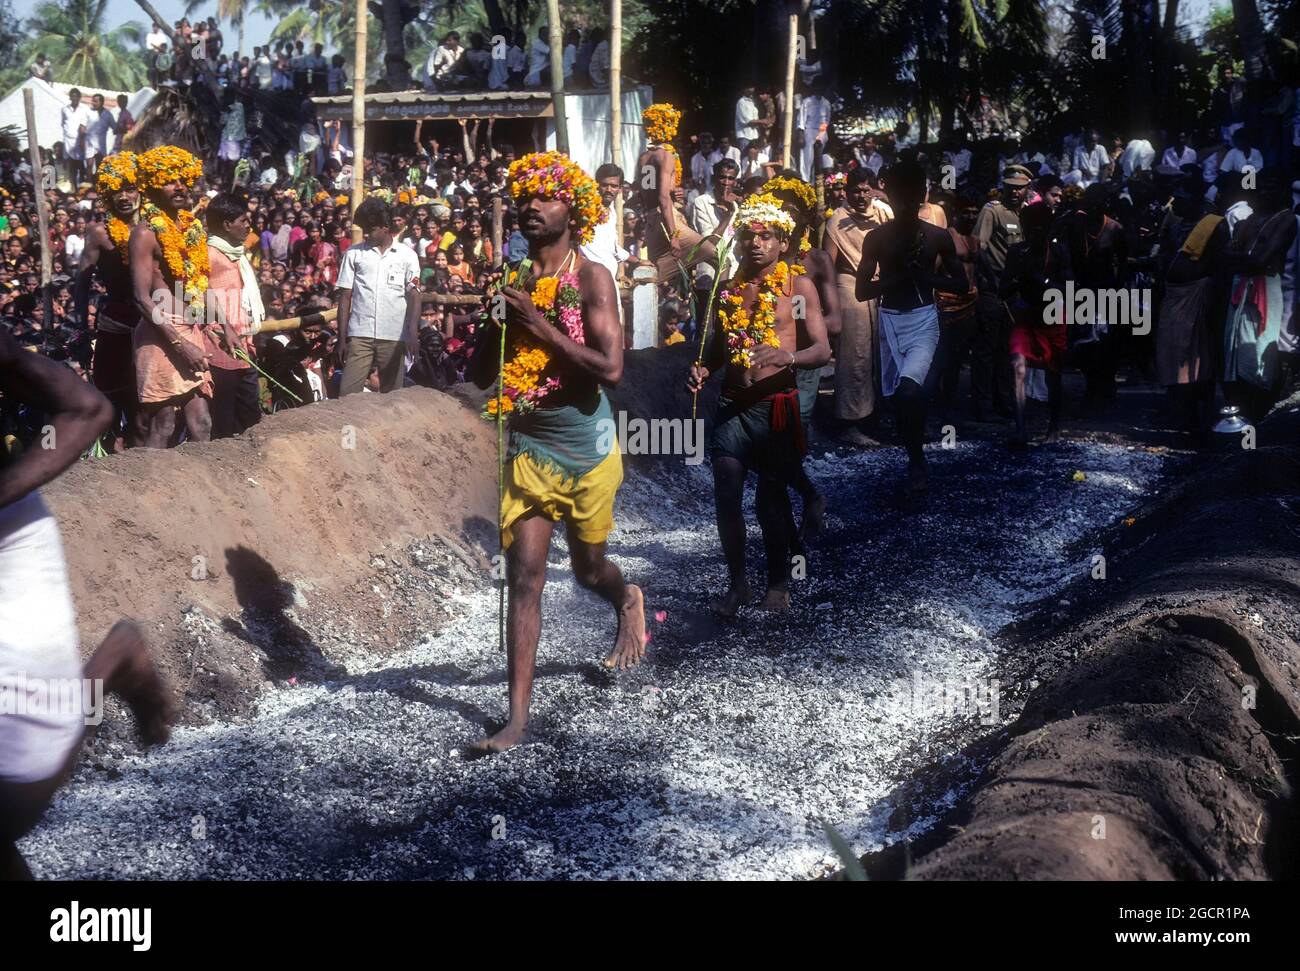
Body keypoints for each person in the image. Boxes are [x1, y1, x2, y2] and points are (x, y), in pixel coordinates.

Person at [467, 151, 644, 754]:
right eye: (525, 198)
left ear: (574, 209)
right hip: (532, 446)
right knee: (526, 576)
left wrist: (540, 327)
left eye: (547, 197)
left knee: (590, 568)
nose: (532, 207)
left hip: (589, 447)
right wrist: (492, 320)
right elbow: (480, 370)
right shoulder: (514, 280)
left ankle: (626, 597)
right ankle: (516, 719)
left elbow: (613, 370)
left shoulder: (591, 278)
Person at [0, 324, 173, 880]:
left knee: (14, 802)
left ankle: (111, 663)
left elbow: (90, 410)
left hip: (23, 756)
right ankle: (112, 661)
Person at [687, 191, 830, 616]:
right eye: (750, 236)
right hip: (732, 404)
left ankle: (778, 583)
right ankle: (737, 585)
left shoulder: (798, 287)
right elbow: (716, 348)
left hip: (774, 405)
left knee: (770, 498)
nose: (756, 244)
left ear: (783, 243)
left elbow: (821, 350)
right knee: (726, 493)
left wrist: (786, 356)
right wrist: (703, 370)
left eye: (766, 237)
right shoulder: (728, 288)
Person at [856, 160, 968, 497]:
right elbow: (862, 291)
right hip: (890, 320)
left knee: (909, 391)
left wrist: (925, 278)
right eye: (898, 195)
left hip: (923, 320)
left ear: (921, 195)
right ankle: (914, 452)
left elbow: (961, 283)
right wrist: (897, 278)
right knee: (898, 400)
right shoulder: (876, 238)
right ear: (889, 195)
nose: (905, 202)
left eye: (911, 195)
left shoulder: (937, 236)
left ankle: (917, 461)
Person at [129, 145, 214, 448]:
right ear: (152, 185)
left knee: (201, 421)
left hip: (189, 328)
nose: (180, 187)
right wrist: (180, 345)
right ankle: (153, 492)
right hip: (159, 334)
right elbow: (141, 298)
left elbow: (193, 284)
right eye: (169, 180)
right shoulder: (145, 232)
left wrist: (218, 323)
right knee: (163, 422)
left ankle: (203, 490)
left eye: (183, 179)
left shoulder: (188, 227)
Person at [75, 151, 142, 450]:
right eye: (117, 191)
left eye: (130, 189)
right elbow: (81, 281)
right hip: (115, 321)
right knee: (113, 398)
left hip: (152, 322)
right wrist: (80, 327)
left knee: (148, 404)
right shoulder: (100, 233)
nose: (125, 197)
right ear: (107, 196)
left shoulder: (159, 228)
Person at [823, 166, 892, 444]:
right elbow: (828, 264)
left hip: (881, 285)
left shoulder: (884, 212)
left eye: (866, 190)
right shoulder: (837, 220)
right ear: (846, 192)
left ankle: (877, 416)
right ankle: (849, 422)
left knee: (882, 354)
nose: (861, 196)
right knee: (855, 356)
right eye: (855, 191)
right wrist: (828, 305)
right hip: (850, 286)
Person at [1156, 183, 1229, 438]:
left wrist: (1212, 301)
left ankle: (1202, 417)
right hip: (1174, 298)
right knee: (1173, 353)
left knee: (1199, 356)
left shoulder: (1214, 225)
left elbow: (1220, 266)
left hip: (1198, 297)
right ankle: (1181, 413)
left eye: (1181, 198)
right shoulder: (1176, 223)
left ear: (1196, 200)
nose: (1174, 204)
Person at [999, 202, 1069, 447]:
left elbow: (1071, 287)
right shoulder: (1017, 252)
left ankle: (1054, 426)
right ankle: (1021, 429)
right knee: (1017, 366)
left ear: (1049, 228)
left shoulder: (1059, 252)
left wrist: (1043, 281)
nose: (1036, 233)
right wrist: (1019, 278)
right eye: (1031, 228)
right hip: (1027, 315)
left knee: (1053, 373)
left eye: (1041, 228)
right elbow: (1003, 288)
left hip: (1052, 315)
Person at [335, 197, 421, 396]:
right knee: (347, 394)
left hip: (394, 335)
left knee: (392, 396)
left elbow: (415, 296)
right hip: (359, 335)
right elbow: (345, 297)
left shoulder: (407, 256)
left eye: (370, 229)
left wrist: (413, 331)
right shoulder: (353, 254)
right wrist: (341, 339)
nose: (366, 234)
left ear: (385, 227)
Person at [970, 166, 1029, 422]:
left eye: (1019, 187)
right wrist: (991, 279)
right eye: (1010, 186)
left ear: (1028, 188)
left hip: (1014, 290)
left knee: (1008, 349)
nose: (1014, 191)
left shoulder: (1026, 214)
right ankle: (982, 406)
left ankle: (1004, 401)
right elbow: (978, 248)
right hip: (993, 289)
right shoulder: (992, 210)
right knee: (986, 350)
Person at [204, 191, 264, 438]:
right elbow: (191, 296)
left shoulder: (237, 253)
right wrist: (223, 327)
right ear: (227, 225)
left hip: (243, 344)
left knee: (250, 417)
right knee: (223, 422)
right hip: (218, 345)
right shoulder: (208, 254)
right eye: (243, 220)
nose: (248, 225)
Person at [637, 103, 711, 292]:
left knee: (655, 282)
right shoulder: (665, 156)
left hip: (651, 221)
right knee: (715, 254)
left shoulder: (644, 157)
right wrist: (673, 236)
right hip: (666, 219)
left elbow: (645, 192)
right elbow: (663, 198)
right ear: (669, 127)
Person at [579, 163, 630, 318]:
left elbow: (612, 246)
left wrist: (636, 260)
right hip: (589, 279)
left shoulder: (612, 211)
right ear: (596, 185)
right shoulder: (586, 209)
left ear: (620, 188)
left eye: (614, 186)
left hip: (609, 279)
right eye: (605, 185)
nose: (609, 190)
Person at [59, 90, 92, 188]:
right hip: (68, 141)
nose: (74, 98)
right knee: (70, 167)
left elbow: (84, 125)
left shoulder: (85, 109)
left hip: (79, 141)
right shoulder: (64, 109)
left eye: (76, 96)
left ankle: (81, 189)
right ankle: (72, 188)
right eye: (72, 96)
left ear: (79, 97)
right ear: (70, 97)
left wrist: (82, 140)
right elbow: (63, 124)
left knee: (81, 166)